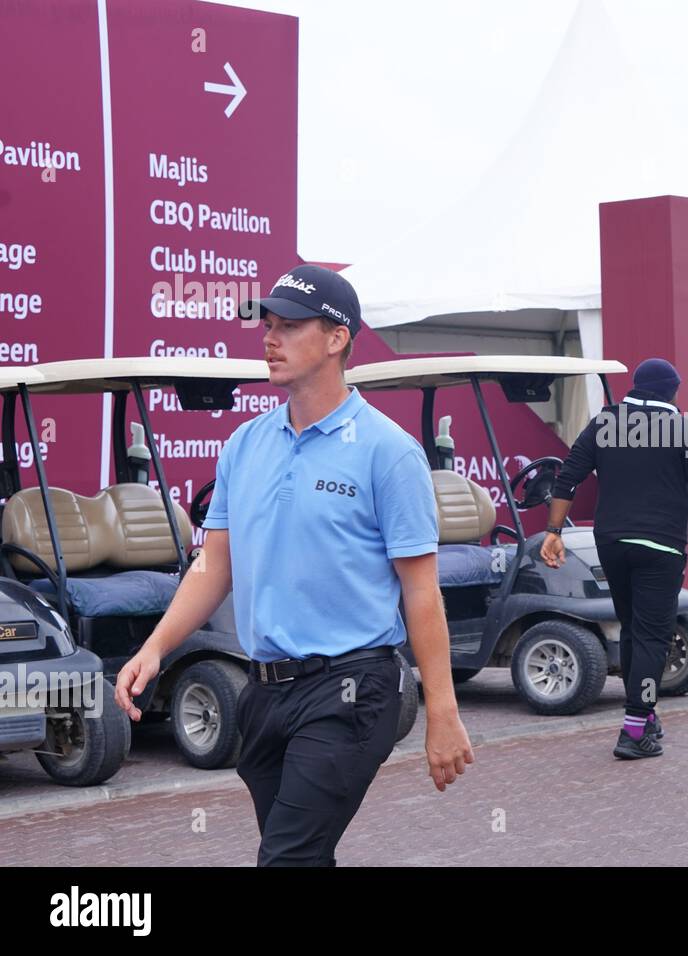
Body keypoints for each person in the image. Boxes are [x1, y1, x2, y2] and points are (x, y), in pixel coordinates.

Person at [115, 265, 474, 866]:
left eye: (289, 326)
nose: (270, 339)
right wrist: (156, 647)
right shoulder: (245, 444)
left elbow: (421, 592)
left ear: (337, 339)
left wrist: (443, 711)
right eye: (268, 325)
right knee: (300, 857)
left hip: (352, 689)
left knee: (286, 860)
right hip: (262, 693)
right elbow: (214, 566)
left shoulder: (389, 453)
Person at [541, 358, 688, 759]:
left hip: (611, 543)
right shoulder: (682, 429)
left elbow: (568, 477)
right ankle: (633, 730)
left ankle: (645, 717)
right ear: (670, 392)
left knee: (633, 628)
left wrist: (554, 532)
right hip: (660, 547)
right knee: (653, 634)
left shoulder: (605, 424)